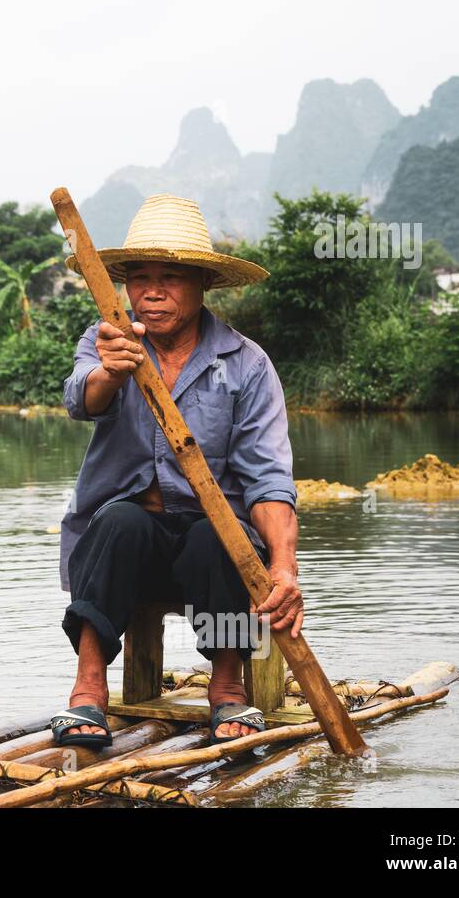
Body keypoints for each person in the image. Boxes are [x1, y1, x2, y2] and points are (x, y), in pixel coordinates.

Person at [50, 194, 302, 749]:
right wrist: (113, 375)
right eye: (139, 278)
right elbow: (80, 398)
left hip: (210, 557)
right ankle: (87, 691)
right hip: (124, 550)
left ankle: (227, 686)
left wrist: (284, 566)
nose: (151, 291)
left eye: (170, 277)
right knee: (118, 522)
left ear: (202, 284)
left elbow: (267, 478)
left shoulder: (246, 365)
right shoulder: (105, 341)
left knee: (220, 535)